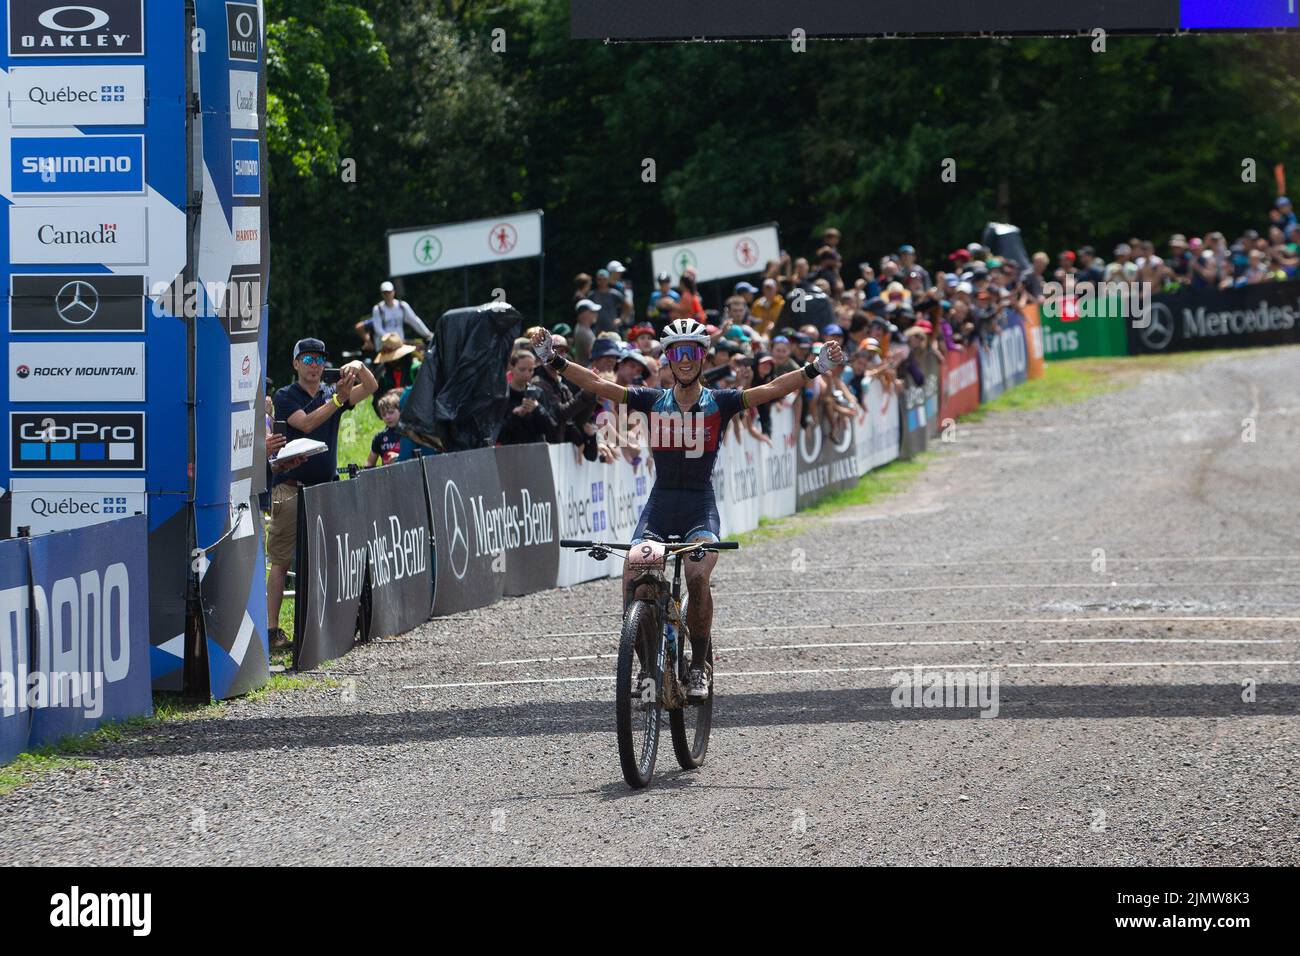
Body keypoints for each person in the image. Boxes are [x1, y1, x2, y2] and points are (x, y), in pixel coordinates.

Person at [530, 317, 844, 701]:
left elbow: (773, 387)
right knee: (633, 573)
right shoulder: (650, 399)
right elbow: (598, 385)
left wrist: (817, 368)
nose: (684, 360)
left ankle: (698, 664)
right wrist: (553, 360)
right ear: (668, 357)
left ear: (702, 356)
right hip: (660, 506)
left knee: (697, 576)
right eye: (677, 352)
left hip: (699, 507)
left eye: (692, 352)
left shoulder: (722, 401)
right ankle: (647, 665)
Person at [266, 338, 378, 649]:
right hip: (290, 486)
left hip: (324, 488)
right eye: (308, 359)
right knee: (280, 561)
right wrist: (339, 402)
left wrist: (358, 366)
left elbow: (371, 387)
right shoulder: (286, 396)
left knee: (326, 557)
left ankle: (325, 621)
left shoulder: (332, 392)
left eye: (319, 359)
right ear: (295, 364)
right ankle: (272, 629)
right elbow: (306, 423)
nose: (314, 365)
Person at [498, 350, 555, 445]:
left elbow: (551, 428)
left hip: (536, 450)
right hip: (510, 451)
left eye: (531, 370)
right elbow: (497, 433)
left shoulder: (537, 392)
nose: (527, 374)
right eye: (522, 369)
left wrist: (538, 409)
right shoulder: (502, 394)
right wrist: (514, 415)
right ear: (511, 368)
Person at [354, 281, 432, 350]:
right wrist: (390, 339)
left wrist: (427, 334)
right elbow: (378, 328)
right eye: (385, 293)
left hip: (399, 345)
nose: (387, 295)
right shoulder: (378, 309)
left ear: (394, 292)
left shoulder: (402, 306)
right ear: (382, 294)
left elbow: (414, 321)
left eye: (389, 292)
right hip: (384, 347)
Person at [366, 391, 403, 467]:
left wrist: (398, 458)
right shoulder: (379, 438)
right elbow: (369, 463)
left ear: (400, 411)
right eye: (384, 415)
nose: (387, 417)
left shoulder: (409, 434)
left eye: (391, 412)